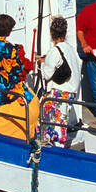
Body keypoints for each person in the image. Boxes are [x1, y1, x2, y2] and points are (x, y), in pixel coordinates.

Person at [35, 16, 82, 145]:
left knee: (53, 125)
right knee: (62, 124)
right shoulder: (70, 49)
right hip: (71, 91)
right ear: (65, 33)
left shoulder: (54, 51)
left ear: (51, 33)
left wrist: (42, 63)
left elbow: (46, 74)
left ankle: (54, 150)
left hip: (59, 92)